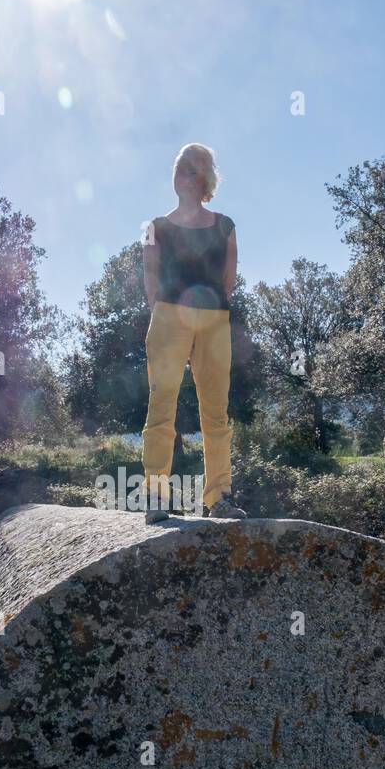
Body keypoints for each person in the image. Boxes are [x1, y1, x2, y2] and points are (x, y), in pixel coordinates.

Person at [141, 143, 247, 524]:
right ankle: (155, 497)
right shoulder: (156, 228)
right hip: (168, 317)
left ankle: (219, 498)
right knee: (161, 406)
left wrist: (207, 312)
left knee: (216, 413)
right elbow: (150, 279)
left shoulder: (226, 226)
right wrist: (166, 313)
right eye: (178, 168)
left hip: (214, 319)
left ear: (204, 178)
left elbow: (228, 280)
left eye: (190, 169)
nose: (181, 175)